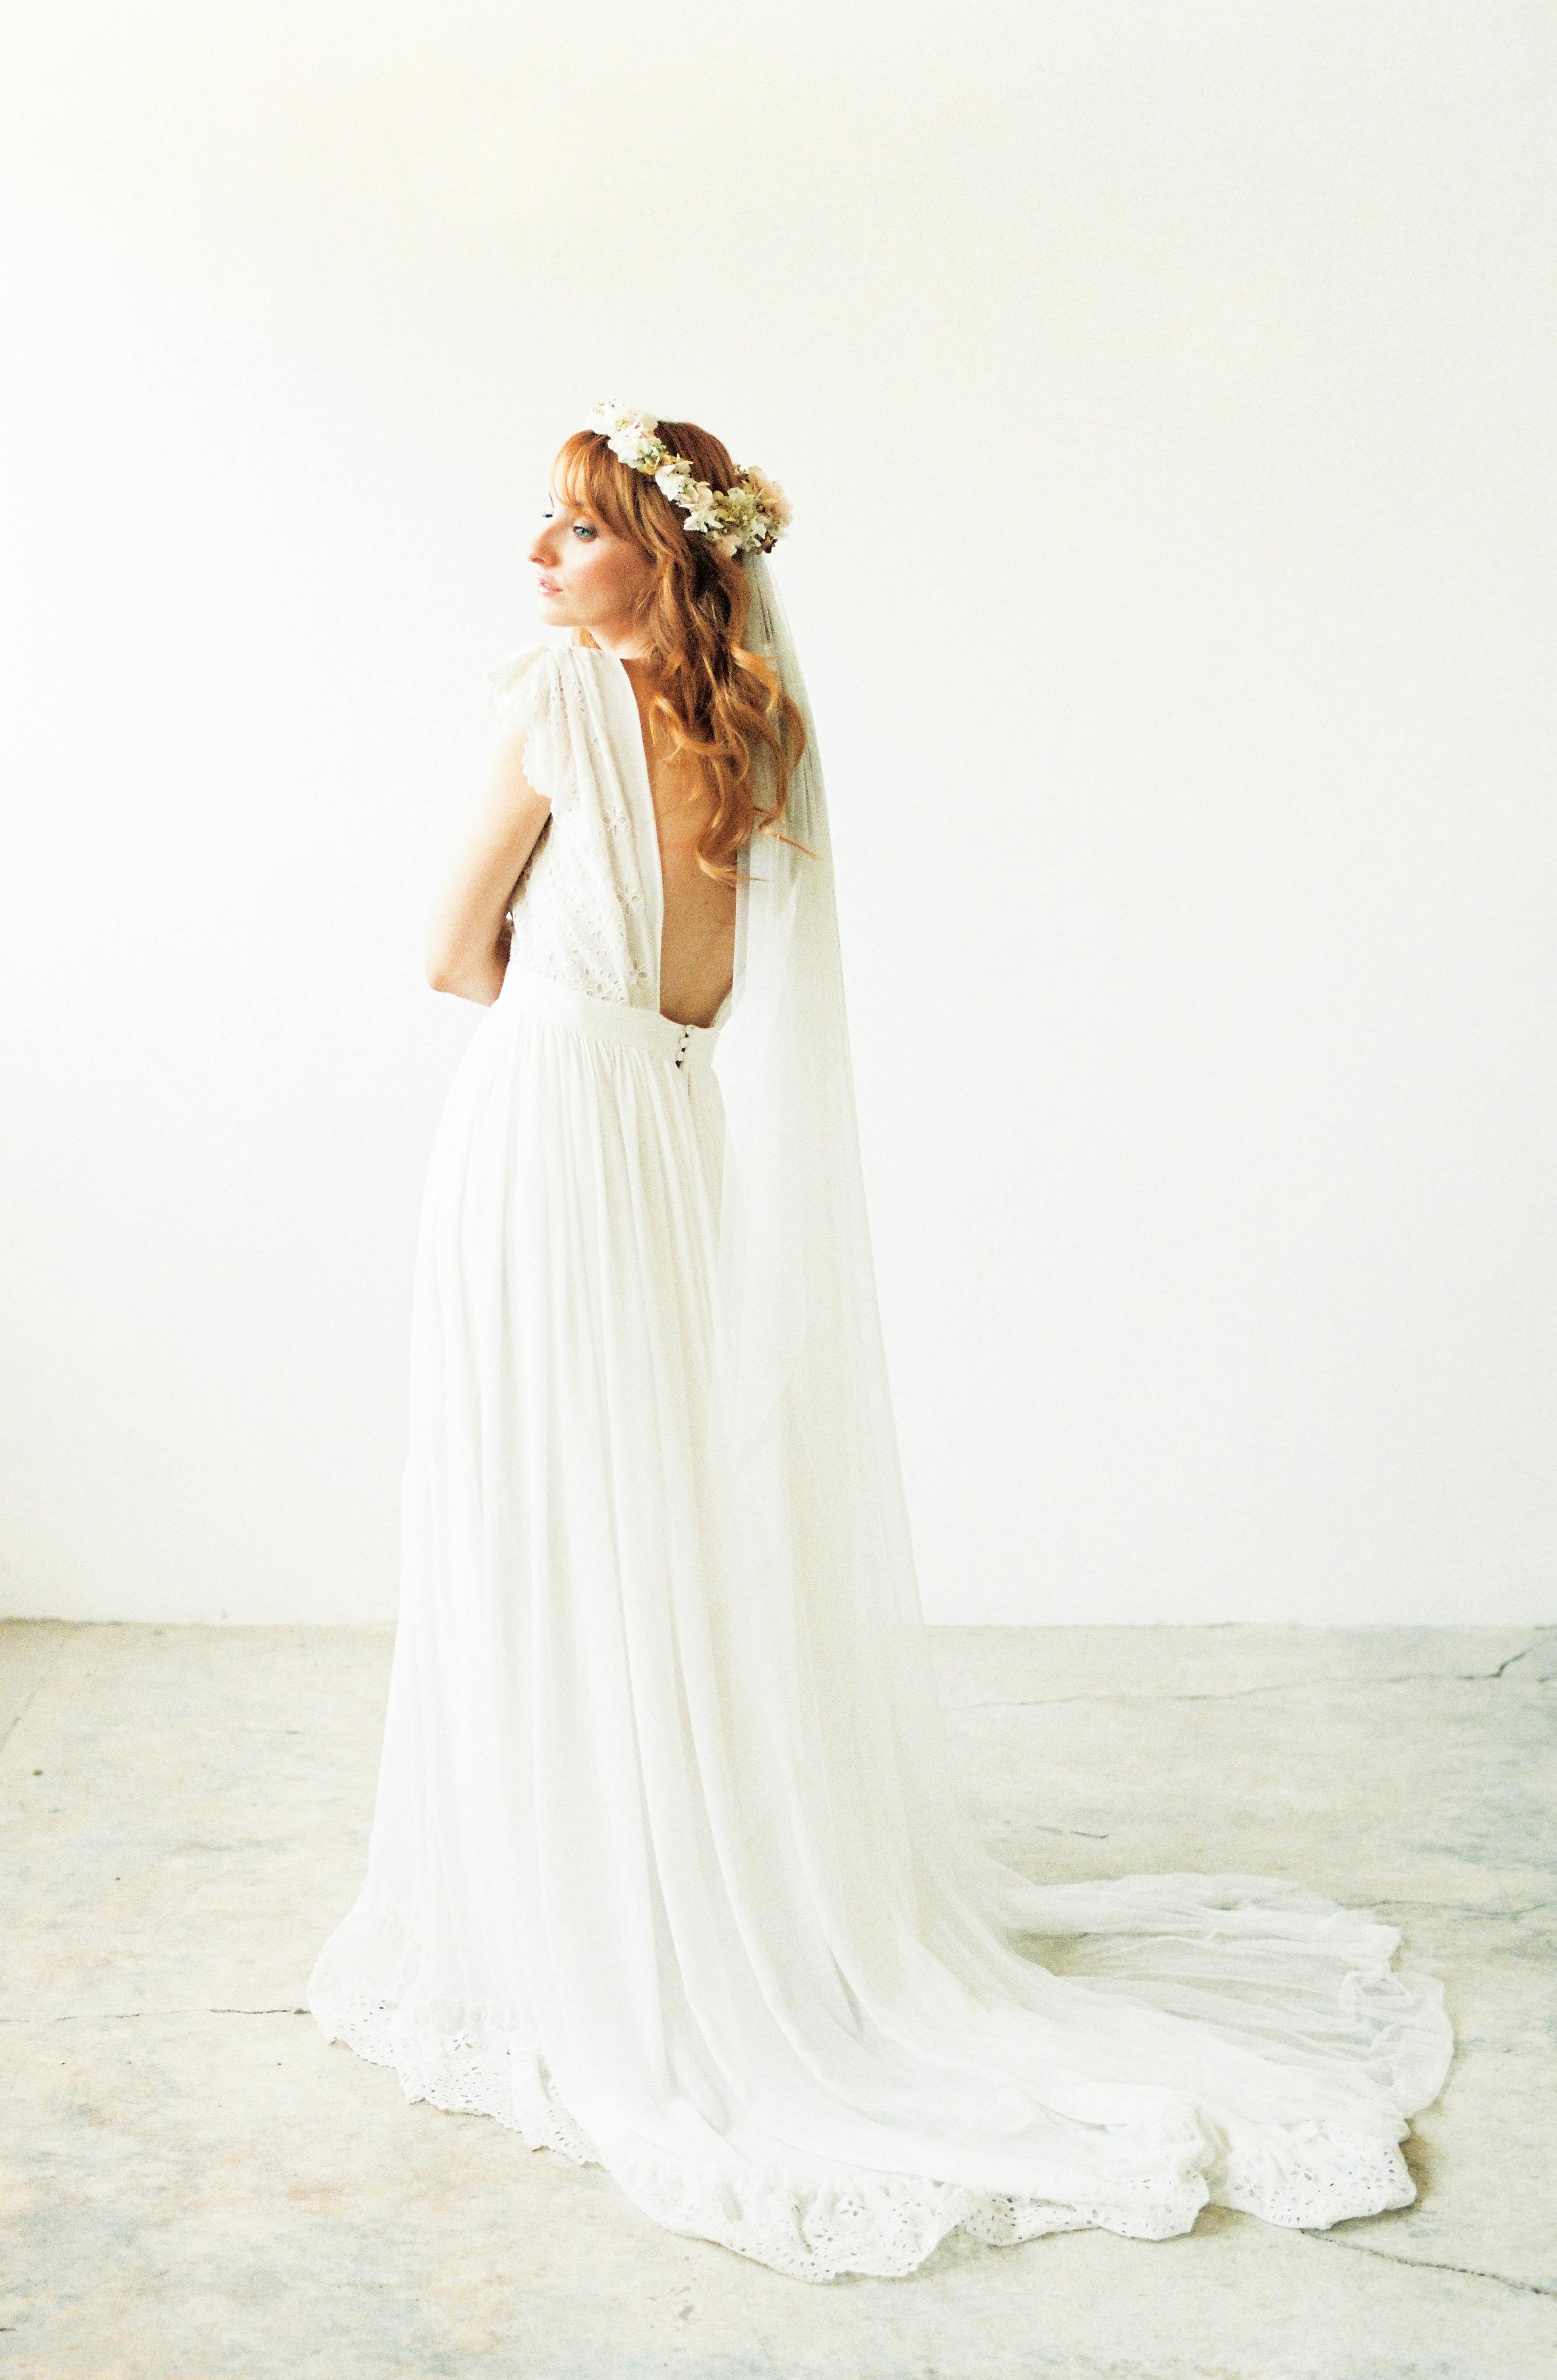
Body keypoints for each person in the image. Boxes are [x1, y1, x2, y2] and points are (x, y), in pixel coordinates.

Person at [307, 405, 1453, 2283]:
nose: (538, 556)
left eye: (575, 530)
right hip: (668, 1132)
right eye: (542, 525)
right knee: (650, 1506)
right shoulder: (760, 731)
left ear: (654, 559)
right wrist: (616, 1030)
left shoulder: (556, 699)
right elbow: (726, 986)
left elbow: (450, 957)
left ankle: (557, 1908)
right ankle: (667, 1874)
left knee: (542, 1501)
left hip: (546, 1128)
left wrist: (562, 1028)